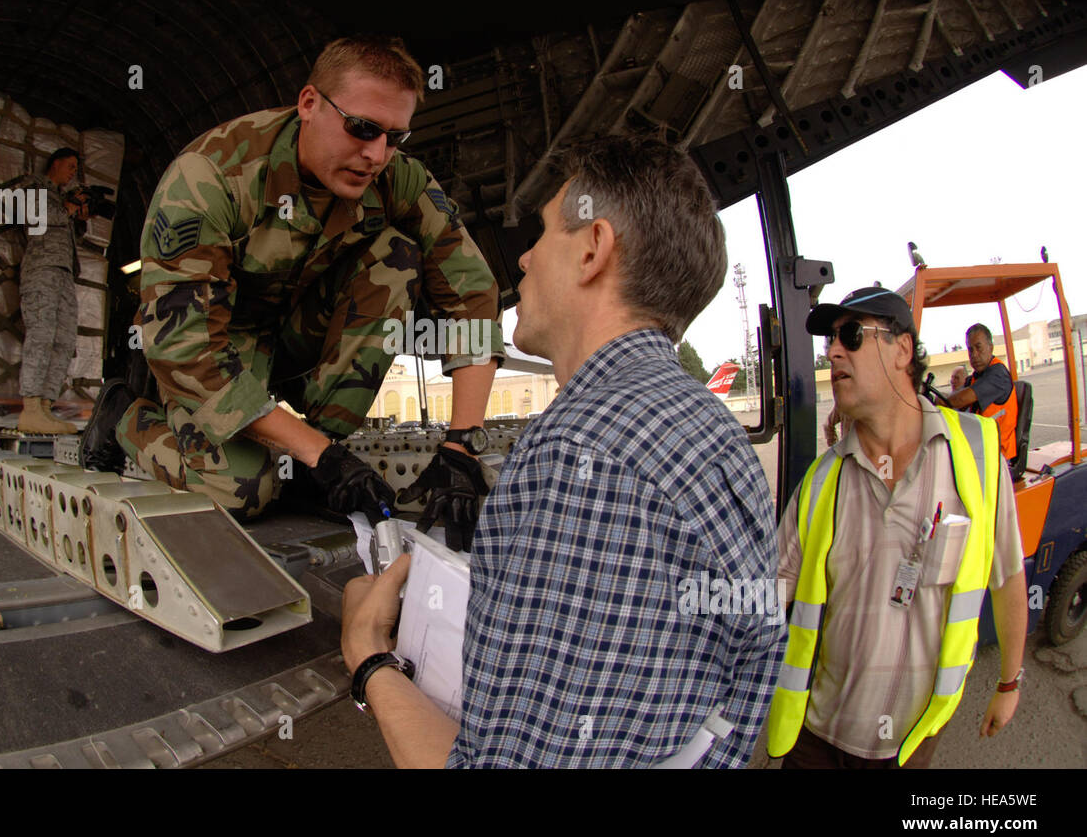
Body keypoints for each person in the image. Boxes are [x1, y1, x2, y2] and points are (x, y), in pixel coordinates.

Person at [341, 135, 785, 768]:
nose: (521, 259)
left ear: (592, 249)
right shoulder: (705, 427)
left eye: (543, 233)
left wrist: (369, 659)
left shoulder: (582, 457)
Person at [81, 36, 505, 543]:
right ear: (309, 104)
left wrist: (461, 446)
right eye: (362, 128)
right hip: (214, 348)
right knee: (241, 490)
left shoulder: (398, 179)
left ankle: (319, 448)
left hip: (295, 333)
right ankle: (125, 415)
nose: (376, 154)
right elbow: (184, 345)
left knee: (397, 260)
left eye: (394, 137)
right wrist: (315, 453)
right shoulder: (212, 176)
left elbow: (472, 291)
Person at [769, 287, 1027, 769]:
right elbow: (768, 595)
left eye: (851, 335)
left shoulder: (975, 454)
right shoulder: (823, 481)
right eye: (831, 342)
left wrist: (1008, 683)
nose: (834, 351)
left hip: (911, 743)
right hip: (816, 740)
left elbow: (1008, 575)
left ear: (903, 349)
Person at [17, 147, 87, 434]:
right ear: (55, 163)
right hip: (41, 269)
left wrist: (78, 215)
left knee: (64, 339)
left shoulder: (60, 199)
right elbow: (36, 217)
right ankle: (30, 407)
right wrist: (67, 209)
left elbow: (71, 235)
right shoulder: (33, 186)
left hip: (64, 273)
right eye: (70, 166)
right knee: (42, 334)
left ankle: (45, 406)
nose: (72, 173)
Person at [947, 323, 1019, 472]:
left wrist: (939, 401)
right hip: (981, 449)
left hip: (997, 456)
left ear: (991, 347)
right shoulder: (976, 377)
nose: (974, 354)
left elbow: (960, 399)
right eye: (970, 349)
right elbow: (957, 395)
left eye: (978, 347)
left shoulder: (998, 375)